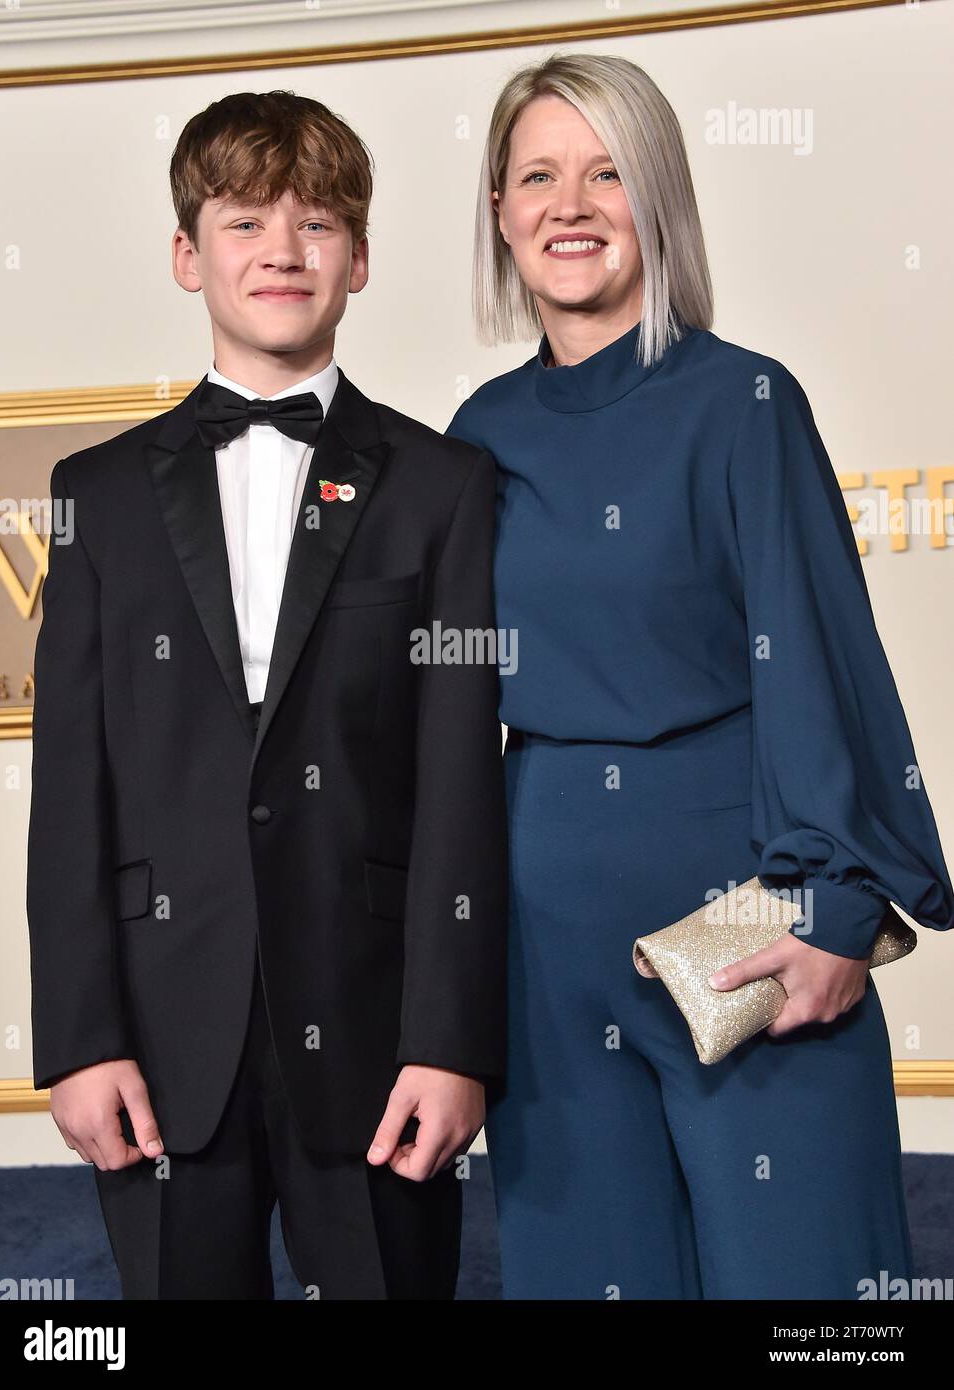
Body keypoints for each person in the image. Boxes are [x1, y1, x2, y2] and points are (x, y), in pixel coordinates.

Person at [445, 52, 954, 1300]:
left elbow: (819, 656)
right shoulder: (475, 437)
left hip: (743, 915)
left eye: (606, 171)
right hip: (543, 941)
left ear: (657, 196)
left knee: (806, 1293)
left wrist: (837, 908)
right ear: (501, 217)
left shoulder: (745, 402)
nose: (570, 204)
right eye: (537, 176)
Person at [26, 89, 507, 1300]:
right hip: (154, 1035)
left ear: (359, 256)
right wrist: (79, 1041)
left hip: (378, 1033)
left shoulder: (443, 486)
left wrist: (449, 1043)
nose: (282, 250)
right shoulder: (95, 494)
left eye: (317, 223)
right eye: (244, 222)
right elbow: (69, 791)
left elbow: (460, 778)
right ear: (188, 256)